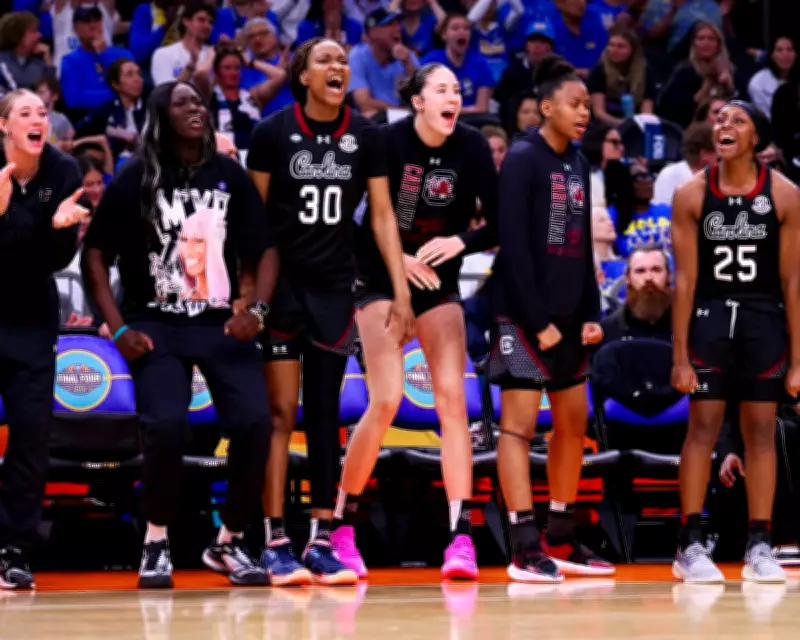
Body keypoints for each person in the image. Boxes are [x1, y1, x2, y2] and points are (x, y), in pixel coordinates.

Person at [82, 81, 278, 590]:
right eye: (183, 103)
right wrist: (119, 325)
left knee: (257, 423)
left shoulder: (229, 174)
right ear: (161, 116)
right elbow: (95, 254)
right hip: (154, 324)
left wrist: (256, 310)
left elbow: (267, 249)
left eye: (200, 102)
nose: (197, 109)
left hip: (217, 323)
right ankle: (155, 540)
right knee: (167, 427)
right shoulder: (136, 177)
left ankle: (230, 540)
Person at [246, 37, 414, 586]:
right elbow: (252, 219)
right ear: (302, 75)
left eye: (343, 60)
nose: (338, 65)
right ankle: (274, 541)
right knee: (279, 415)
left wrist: (401, 290)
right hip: (283, 288)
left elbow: (384, 215)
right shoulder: (272, 132)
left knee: (324, 418)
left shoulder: (367, 135)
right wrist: (248, 290)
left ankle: (321, 538)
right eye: (325, 59)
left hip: (335, 290)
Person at [334, 62, 499, 580]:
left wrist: (461, 242)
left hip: (437, 279)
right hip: (380, 275)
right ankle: (340, 526)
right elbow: (352, 220)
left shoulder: (471, 146)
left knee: (452, 400)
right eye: (442, 89)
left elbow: (497, 221)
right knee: (386, 398)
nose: (454, 96)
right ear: (418, 100)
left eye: (458, 88)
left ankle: (460, 537)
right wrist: (394, 258)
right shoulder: (382, 141)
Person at [488, 55, 614, 583]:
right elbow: (511, 248)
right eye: (575, 104)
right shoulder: (521, 158)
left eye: (588, 104)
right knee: (517, 429)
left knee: (572, 424)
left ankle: (559, 537)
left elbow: (581, 245)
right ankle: (523, 545)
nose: (584, 112)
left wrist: (591, 312)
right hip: (523, 317)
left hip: (567, 318)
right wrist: (537, 319)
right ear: (545, 108)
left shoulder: (580, 162)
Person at [670, 99, 800, 584]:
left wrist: (798, 360)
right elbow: (682, 282)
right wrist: (680, 356)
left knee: (762, 433)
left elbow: (793, 282)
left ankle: (761, 543)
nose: (724, 124)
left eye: (737, 120)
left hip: (764, 320)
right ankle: (689, 543)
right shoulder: (690, 194)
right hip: (709, 316)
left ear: (756, 138)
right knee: (701, 428)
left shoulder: (785, 195)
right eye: (720, 119)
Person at [0, 88, 89, 589]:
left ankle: (14, 548)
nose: (38, 120)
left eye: (43, 112)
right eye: (25, 113)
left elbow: (52, 260)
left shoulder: (64, 173)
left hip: (32, 319)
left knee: (31, 436)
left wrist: (57, 232)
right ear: (4, 126)